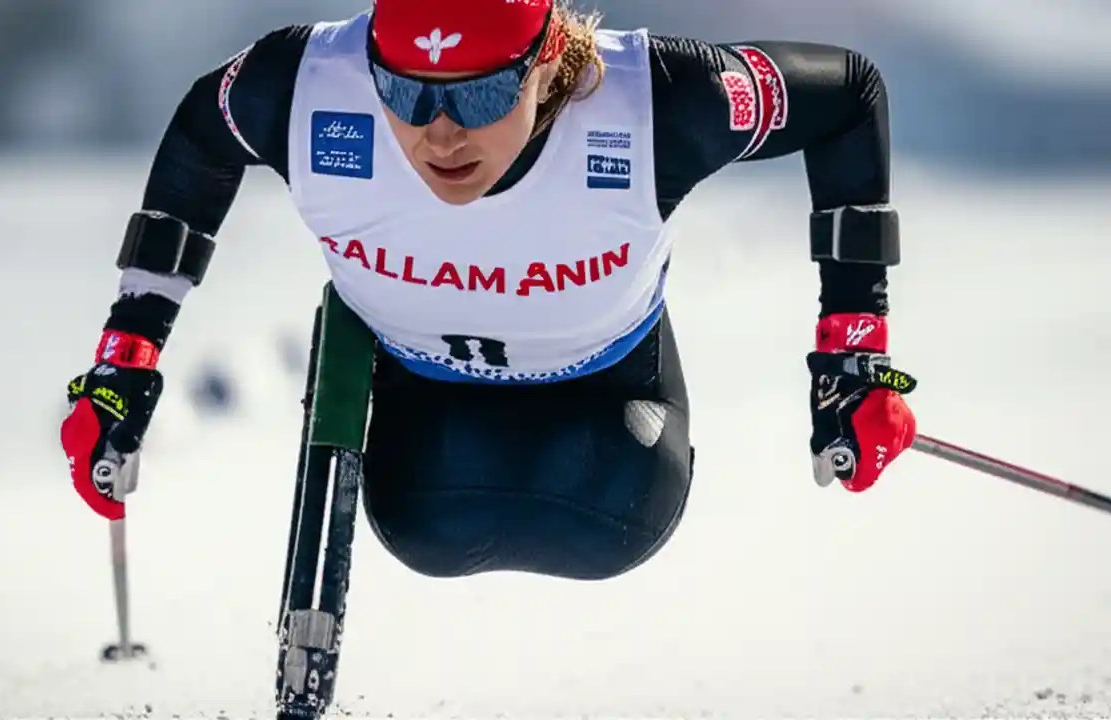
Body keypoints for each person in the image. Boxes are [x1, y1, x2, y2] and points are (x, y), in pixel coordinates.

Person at [61, 0, 917, 581]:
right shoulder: (305, 85)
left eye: (477, 92)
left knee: (601, 523)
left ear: (549, 62)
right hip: (424, 440)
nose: (439, 132)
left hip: (609, 435)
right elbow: (203, 139)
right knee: (432, 530)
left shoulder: (655, 100)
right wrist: (124, 363)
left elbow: (847, 96)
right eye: (403, 89)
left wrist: (854, 352)